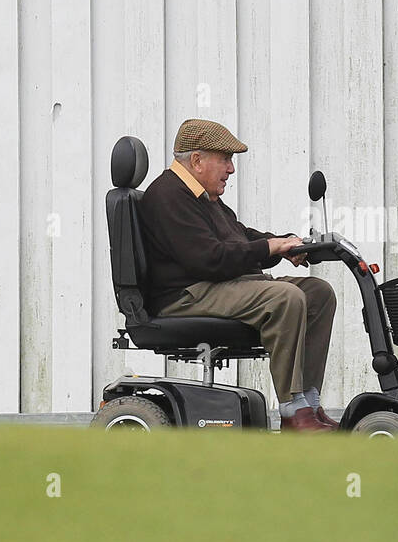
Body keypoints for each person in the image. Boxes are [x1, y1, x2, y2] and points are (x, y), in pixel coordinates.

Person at [138, 118, 338, 432]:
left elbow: (238, 237)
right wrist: (269, 248)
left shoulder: (201, 197)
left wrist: (285, 244)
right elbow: (209, 260)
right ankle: (293, 413)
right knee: (285, 297)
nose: (231, 169)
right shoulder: (168, 196)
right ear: (198, 160)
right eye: (226, 160)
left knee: (318, 293)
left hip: (211, 285)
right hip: (186, 295)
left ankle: (309, 406)